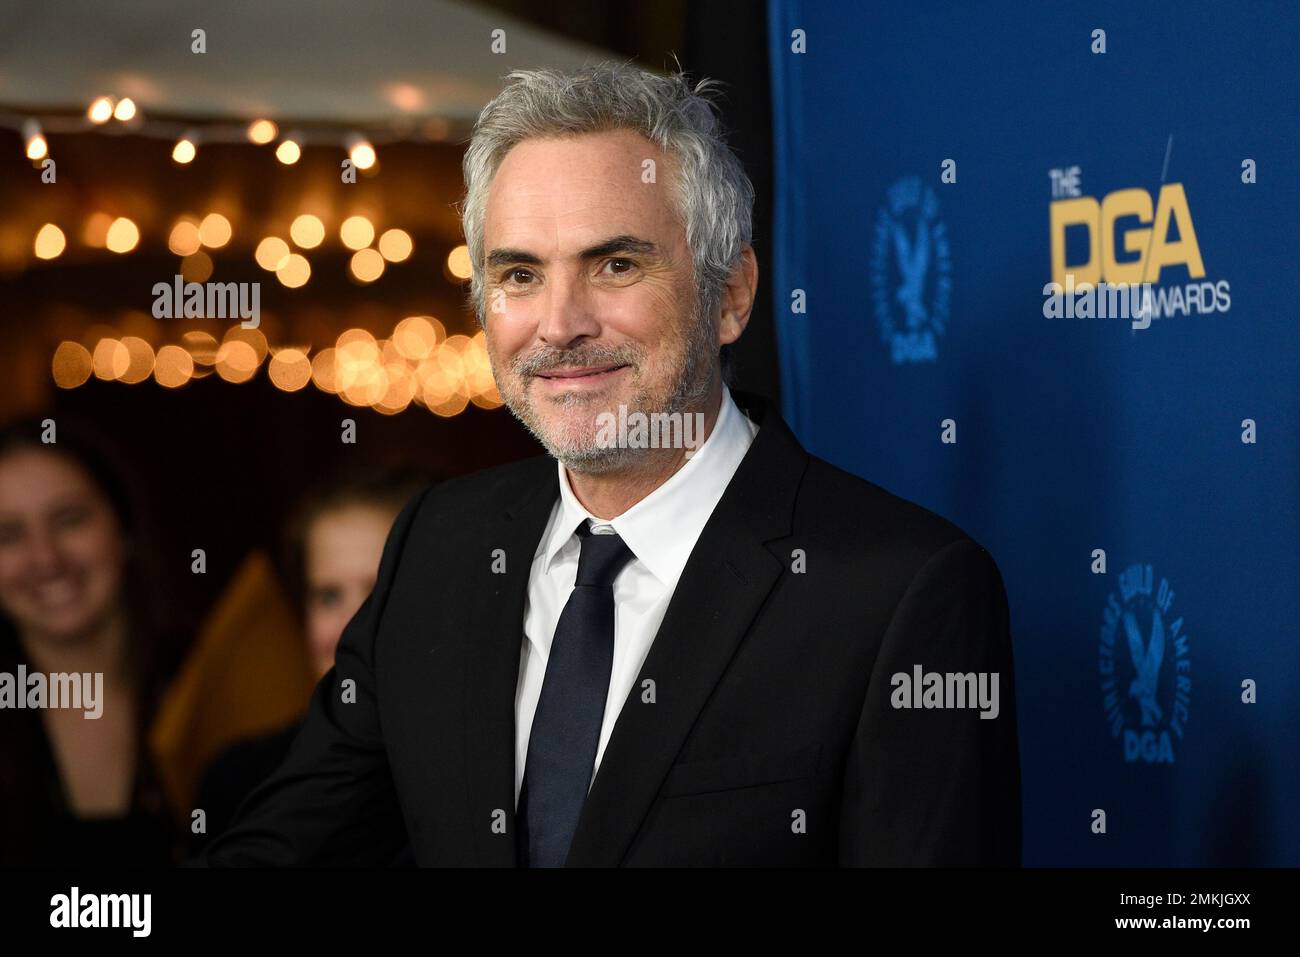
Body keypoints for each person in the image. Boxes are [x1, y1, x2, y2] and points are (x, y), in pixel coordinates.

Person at [202, 61, 1021, 867]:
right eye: (519, 274)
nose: (559, 325)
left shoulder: (900, 594)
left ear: (730, 294)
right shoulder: (438, 548)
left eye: (615, 265)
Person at [191, 469, 426, 855]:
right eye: (329, 597)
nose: (353, 626)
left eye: (382, 589)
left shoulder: (497, 772)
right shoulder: (241, 780)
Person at [0, 418, 181, 866]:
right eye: (8, 535)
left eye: (69, 520)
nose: (46, 558)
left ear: (123, 529)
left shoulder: (213, 679)